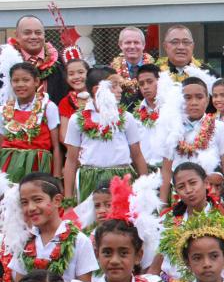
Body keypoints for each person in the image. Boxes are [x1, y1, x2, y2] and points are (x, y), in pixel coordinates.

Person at [63, 67, 148, 203]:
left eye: (119, 86)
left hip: (121, 178)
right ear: (97, 90)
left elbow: (137, 155)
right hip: (89, 179)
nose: (120, 90)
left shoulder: (126, 117)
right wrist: (68, 200)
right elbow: (71, 160)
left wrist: (146, 191)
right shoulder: (76, 119)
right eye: (114, 86)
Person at [7, 173, 97, 282]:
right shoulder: (24, 241)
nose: (31, 208)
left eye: (38, 200)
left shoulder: (79, 241)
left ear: (57, 201)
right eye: (24, 202)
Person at [158, 77, 224, 202]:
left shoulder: (219, 127)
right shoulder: (171, 129)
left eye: (199, 97)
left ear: (207, 100)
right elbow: (166, 171)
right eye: (187, 98)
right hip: (180, 195)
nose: (194, 102)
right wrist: (163, 205)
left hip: (211, 194)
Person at [0, 62, 61, 181]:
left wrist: (57, 176)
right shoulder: (4, 110)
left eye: (26, 80)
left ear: (36, 82)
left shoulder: (47, 107)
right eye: (16, 81)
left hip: (37, 165)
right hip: (8, 165)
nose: (20, 84)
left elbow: (56, 146)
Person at [6, 16, 67, 104]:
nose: (33, 37)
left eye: (38, 33)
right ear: (16, 35)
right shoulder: (5, 61)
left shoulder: (61, 61)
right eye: (27, 33)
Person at [133, 64, 166, 172]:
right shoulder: (134, 115)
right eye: (141, 84)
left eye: (150, 81)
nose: (145, 87)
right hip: (144, 171)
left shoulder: (172, 109)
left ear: (160, 81)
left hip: (170, 169)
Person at [110, 26, 154, 107]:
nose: (132, 46)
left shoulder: (155, 70)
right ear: (120, 45)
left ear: (143, 45)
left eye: (136, 42)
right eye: (128, 42)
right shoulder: (111, 72)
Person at [57, 58, 89, 148]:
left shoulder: (99, 97)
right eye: (71, 74)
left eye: (81, 72)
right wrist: (79, 154)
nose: (76, 77)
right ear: (66, 78)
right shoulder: (65, 102)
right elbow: (63, 136)